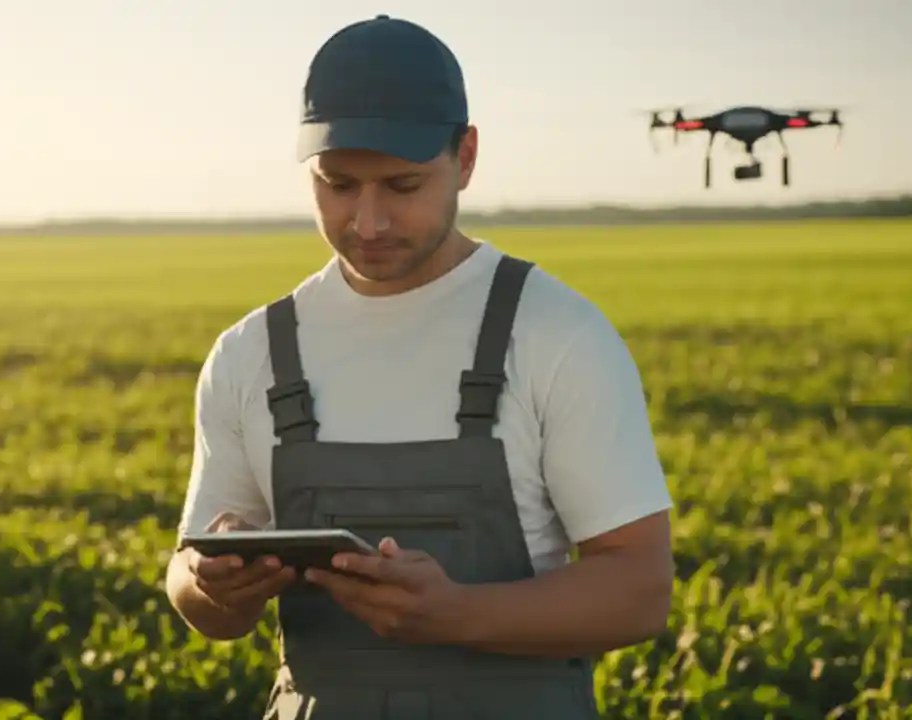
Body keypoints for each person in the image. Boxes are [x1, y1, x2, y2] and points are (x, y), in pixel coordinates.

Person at [165, 14, 675, 719]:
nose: (367, 223)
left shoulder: (558, 334)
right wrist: (208, 584)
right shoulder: (251, 352)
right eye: (337, 185)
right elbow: (196, 592)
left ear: (465, 157)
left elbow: (641, 590)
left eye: (402, 187)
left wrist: (457, 614)